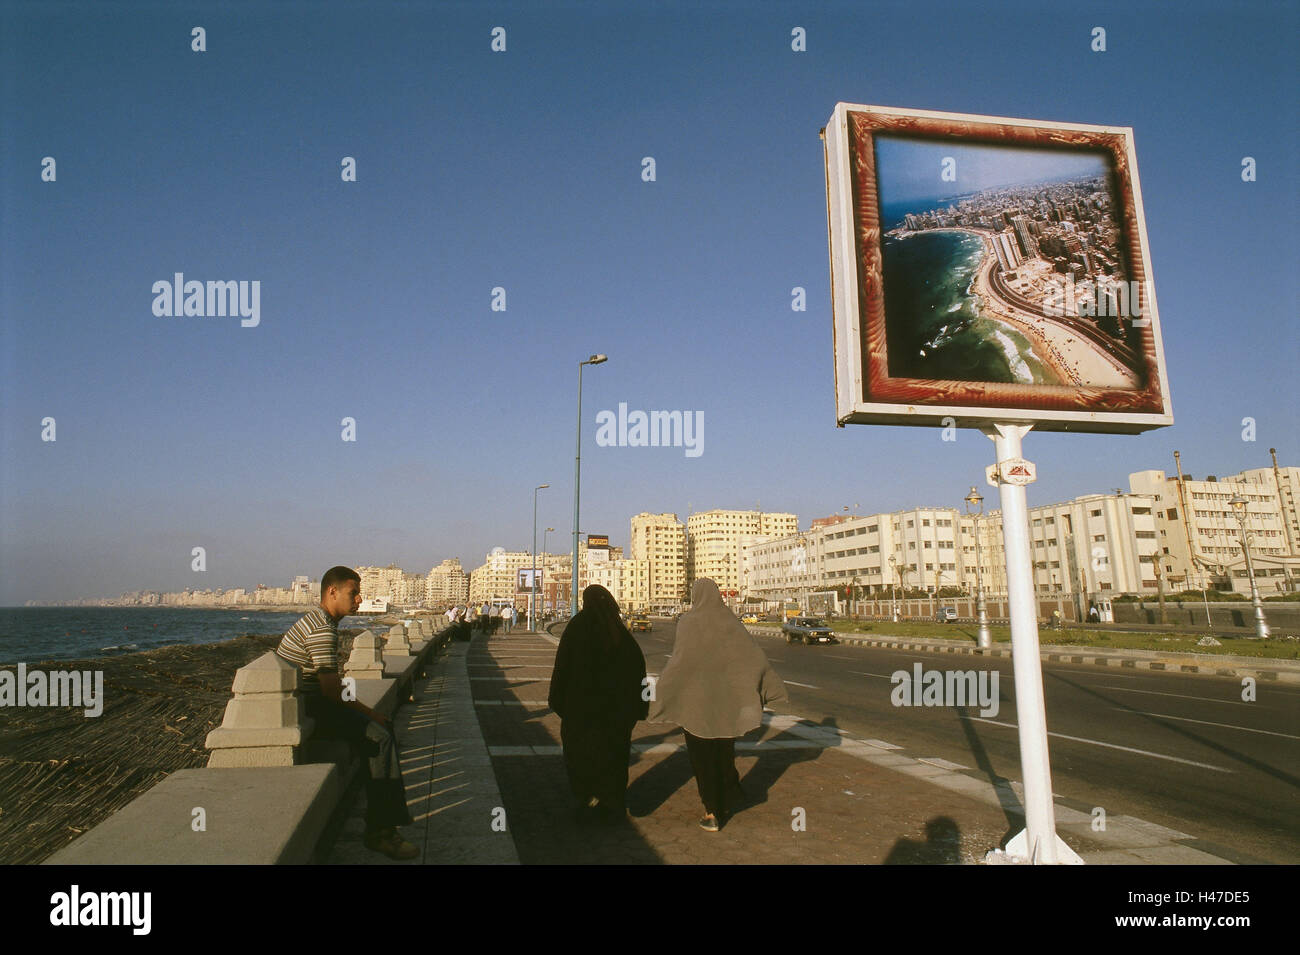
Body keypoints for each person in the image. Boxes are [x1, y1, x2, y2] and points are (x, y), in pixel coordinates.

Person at [275, 566, 417, 860]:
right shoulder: (321, 628)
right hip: (309, 708)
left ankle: (383, 825)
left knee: (377, 733)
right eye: (353, 593)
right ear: (332, 592)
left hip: (307, 704)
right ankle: (381, 832)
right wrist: (371, 713)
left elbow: (333, 688)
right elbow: (330, 690)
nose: (359, 599)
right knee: (380, 737)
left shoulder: (318, 621)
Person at [649, 577, 788, 831]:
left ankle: (712, 810)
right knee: (724, 755)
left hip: (696, 706)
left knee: (702, 759)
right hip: (727, 705)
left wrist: (660, 696)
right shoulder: (731, 622)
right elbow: (753, 657)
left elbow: (679, 662)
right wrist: (769, 688)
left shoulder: (688, 623)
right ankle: (726, 800)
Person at [548, 585, 648, 825]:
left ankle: (588, 798)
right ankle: (612, 803)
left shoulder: (578, 627)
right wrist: (639, 708)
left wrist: (559, 702)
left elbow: (562, 667)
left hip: (581, 711)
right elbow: (638, 671)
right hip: (616, 715)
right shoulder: (619, 632)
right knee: (614, 757)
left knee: (580, 756)